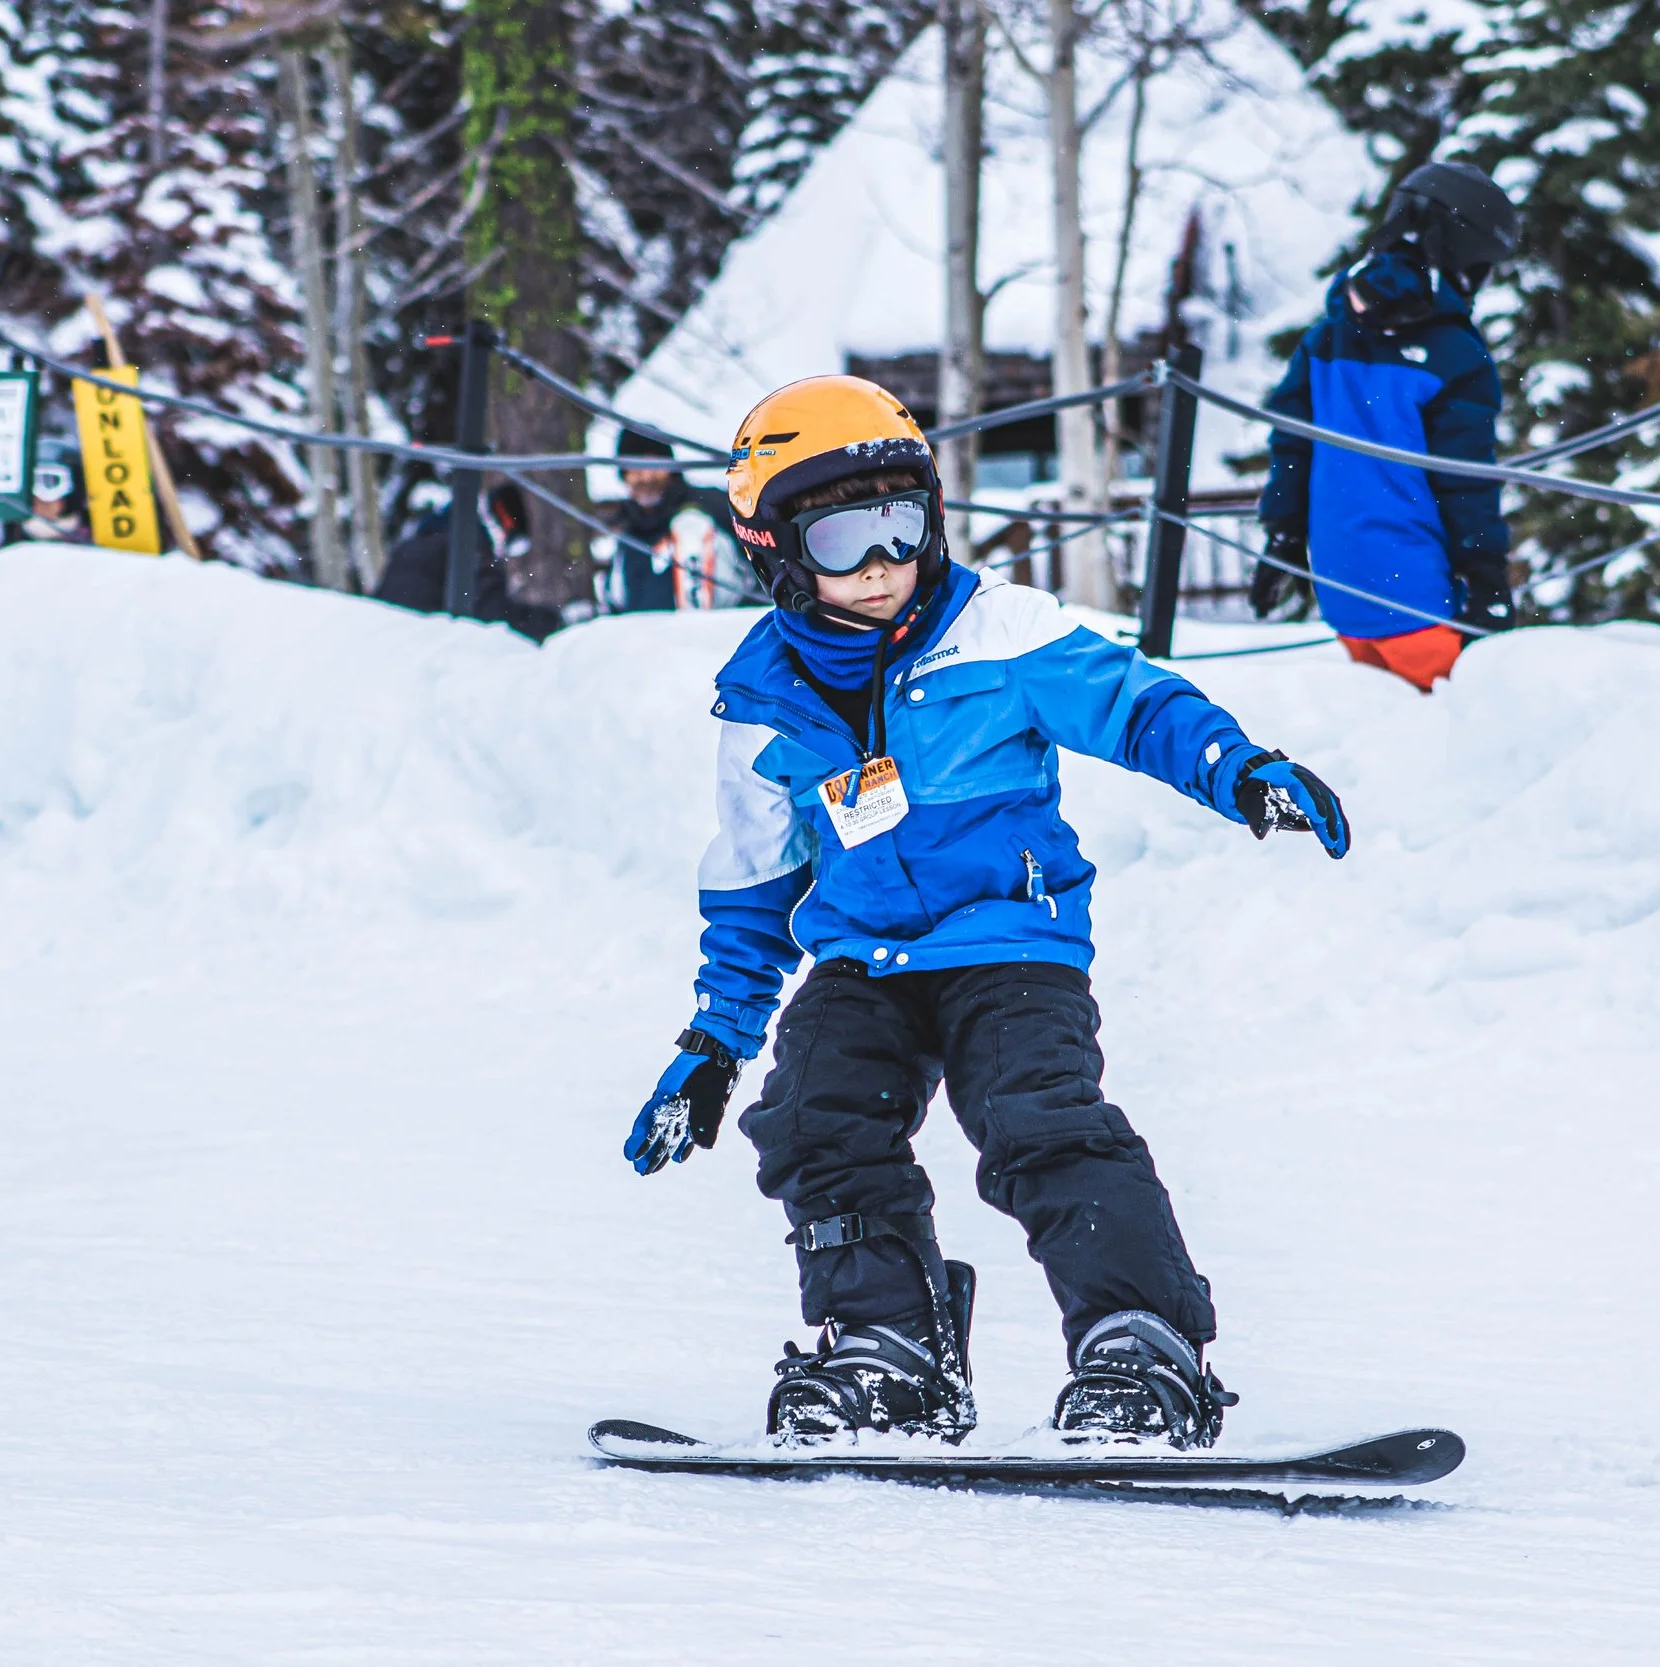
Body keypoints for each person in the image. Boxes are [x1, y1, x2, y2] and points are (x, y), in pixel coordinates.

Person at [622, 376, 1354, 1449]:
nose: (884, 562)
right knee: (814, 1116)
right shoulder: (761, 700)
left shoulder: (998, 631)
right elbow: (752, 884)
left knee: (1034, 1117)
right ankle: (891, 1348)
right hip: (862, 959)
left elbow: (1134, 702)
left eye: (902, 523)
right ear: (774, 548)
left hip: (1009, 941)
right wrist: (712, 1043)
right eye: (843, 539)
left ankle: (1140, 1343)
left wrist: (1235, 766)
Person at [1252, 160, 1521, 693]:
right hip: (1422, 600)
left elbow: (1292, 445)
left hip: (1342, 591)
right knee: (1455, 733)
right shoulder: (1454, 353)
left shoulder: (1327, 336)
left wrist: (1283, 535)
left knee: (1381, 730)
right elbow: (1464, 480)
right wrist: (1486, 574)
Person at [373, 479, 565, 643]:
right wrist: (553, 623)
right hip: (422, 651)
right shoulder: (467, 547)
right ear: (503, 527)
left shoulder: (424, 540)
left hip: (393, 646)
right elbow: (490, 614)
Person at [604, 429, 743, 611]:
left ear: (670, 467)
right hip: (642, 628)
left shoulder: (710, 506)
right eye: (635, 468)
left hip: (720, 623)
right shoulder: (627, 531)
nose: (645, 477)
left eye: (652, 465)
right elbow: (615, 601)